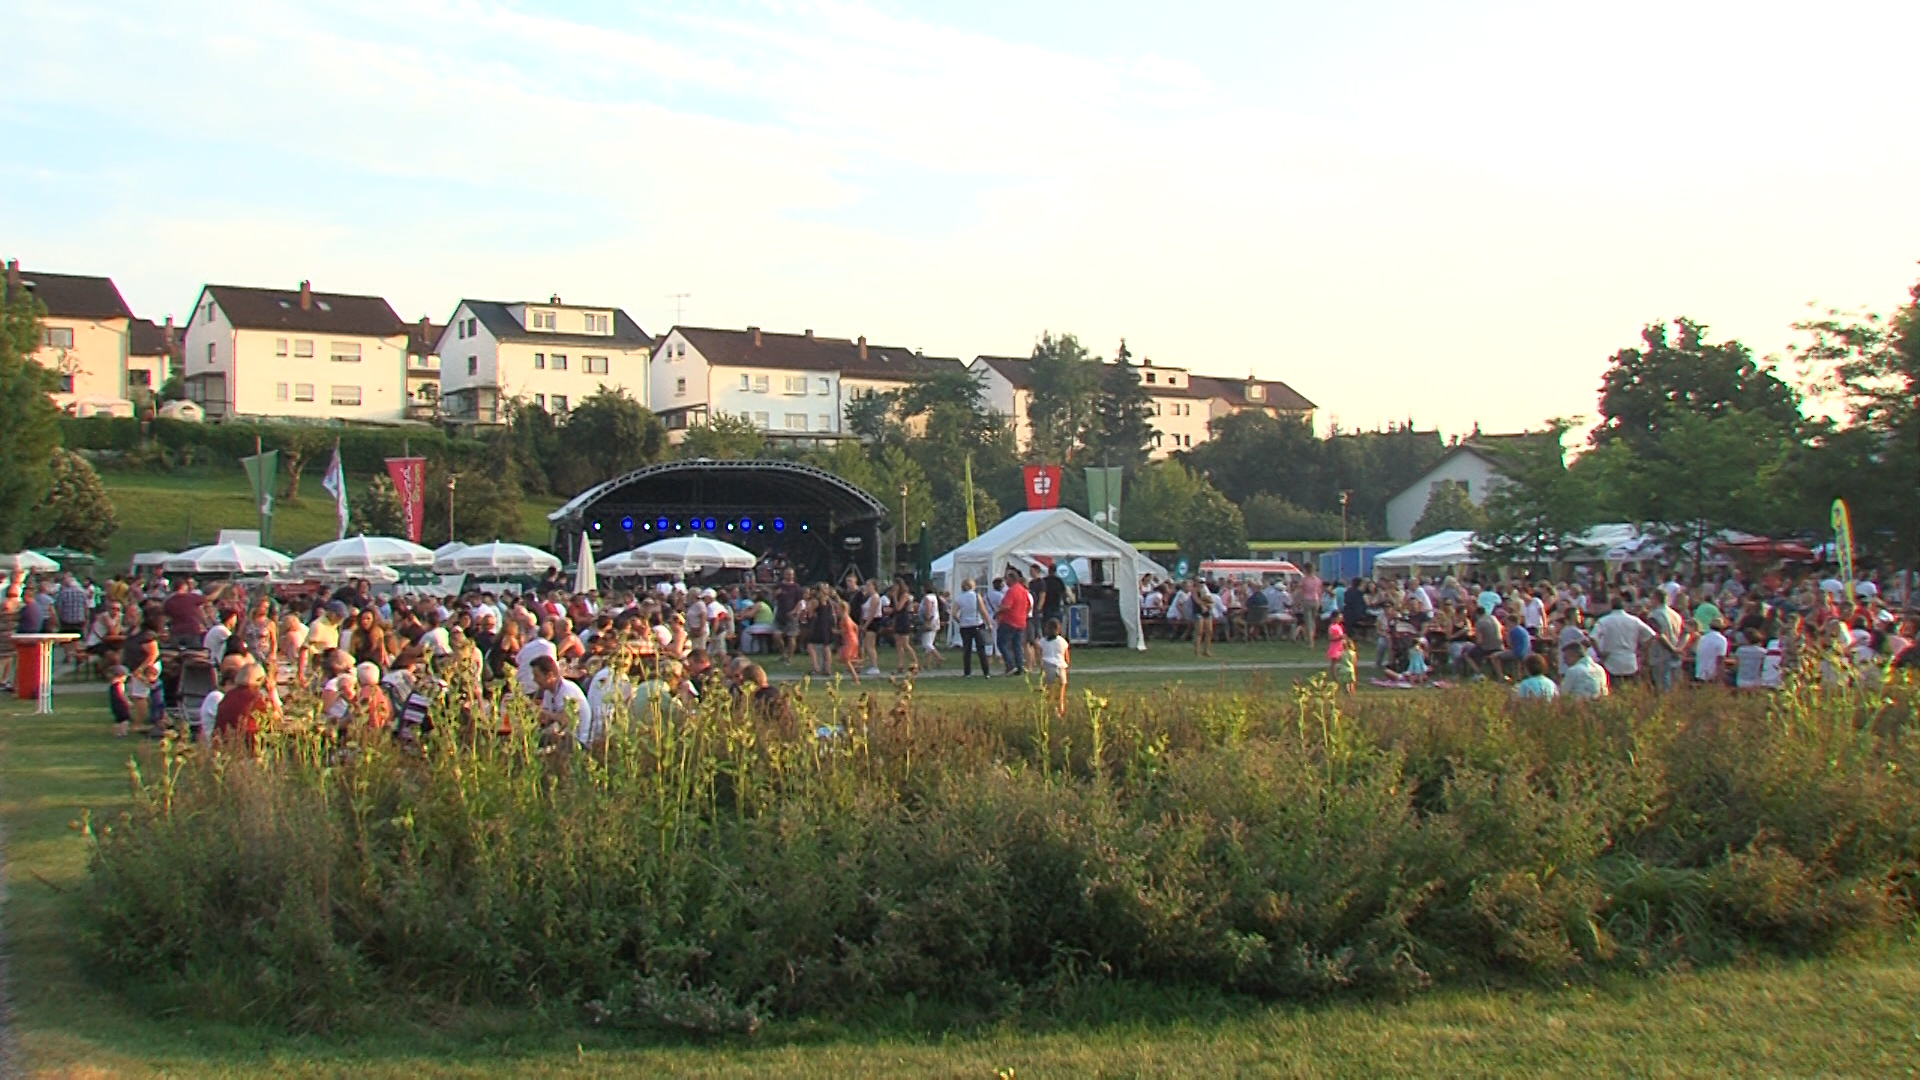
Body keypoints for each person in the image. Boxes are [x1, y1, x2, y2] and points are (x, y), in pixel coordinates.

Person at [1590, 593, 1656, 683]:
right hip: (1630, 661)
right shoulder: (1634, 620)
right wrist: (1642, 650)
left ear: (1610, 606)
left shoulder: (1604, 621)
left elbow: (1592, 637)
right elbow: (1651, 635)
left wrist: (1599, 653)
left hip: (1612, 661)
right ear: (1624, 606)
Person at [530, 655, 588, 744]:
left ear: (549, 676)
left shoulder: (568, 690)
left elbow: (564, 720)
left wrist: (538, 710)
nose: (534, 680)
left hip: (577, 740)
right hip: (561, 737)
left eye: (537, 676)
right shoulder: (548, 692)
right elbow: (545, 720)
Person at [996, 567, 1031, 677]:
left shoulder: (1012, 591)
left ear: (1011, 579)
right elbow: (1029, 605)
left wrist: (998, 613)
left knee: (1002, 643)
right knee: (1017, 645)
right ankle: (1019, 666)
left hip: (1009, 620)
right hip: (1021, 621)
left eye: (1006, 579)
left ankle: (1010, 665)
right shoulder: (1023, 590)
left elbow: (1006, 606)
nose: (1005, 581)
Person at [954, 578, 991, 678]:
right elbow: (983, 611)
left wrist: (960, 621)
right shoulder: (976, 596)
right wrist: (989, 623)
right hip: (976, 623)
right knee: (981, 649)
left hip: (965, 626)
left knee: (967, 649)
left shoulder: (959, 598)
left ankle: (967, 672)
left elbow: (954, 613)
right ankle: (986, 672)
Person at [1038, 617, 1070, 718]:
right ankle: (1060, 714)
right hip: (1060, 668)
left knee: (1048, 694)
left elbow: (1040, 655)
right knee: (1060, 696)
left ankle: (1049, 714)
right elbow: (1067, 658)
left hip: (1048, 667)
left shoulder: (1043, 641)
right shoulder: (1062, 641)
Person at [1694, 619, 1731, 685]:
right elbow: (1720, 660)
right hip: (1712, 674)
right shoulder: (1721, 639)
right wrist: (1720, 680)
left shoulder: (1703, 638)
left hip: (1700, 673)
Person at [105, 664, 134, 737]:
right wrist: (127, 702)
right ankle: (123, 733)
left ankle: (116, 733)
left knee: (118, 720)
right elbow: (121, 694)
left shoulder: (112, 685)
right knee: (125, 720)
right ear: (120, 675)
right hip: (122, 705)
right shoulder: (119, 685)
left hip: (114, 705)